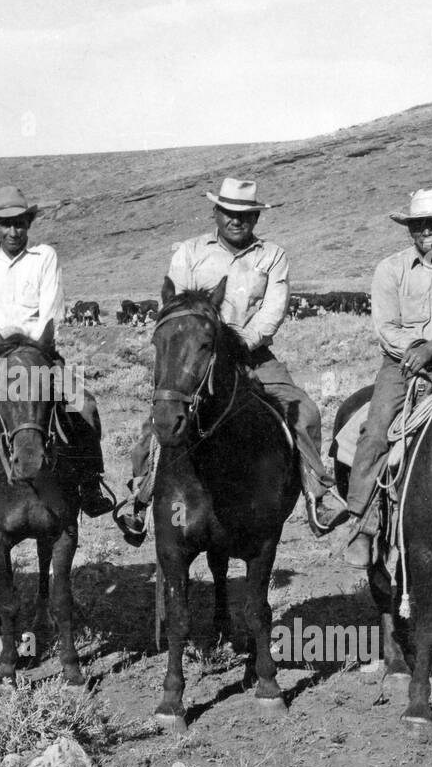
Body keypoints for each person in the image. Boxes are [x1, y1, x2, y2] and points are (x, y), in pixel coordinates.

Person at [113, 178, 348, 545]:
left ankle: (318, 494)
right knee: (159, 419)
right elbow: (174, 308)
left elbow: (273, 311)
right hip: (194, 358)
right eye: (229, 213)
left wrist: (235, 346)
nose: (237, 220)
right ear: (216, 213)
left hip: (252, 356)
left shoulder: (272, 256)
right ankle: (139, 500)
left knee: (304, 411)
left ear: (255, 217)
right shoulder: (189, 253)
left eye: (246, 215)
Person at [0, 185, 112, 524]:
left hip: (40, 353)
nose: (13, 231)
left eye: (20, 223)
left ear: (29, 224)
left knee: (84, 404)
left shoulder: (45, 257)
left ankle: (90, 483)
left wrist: (32, 344)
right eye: (6, 224)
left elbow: (51, 310)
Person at [341, 187, 432, 568]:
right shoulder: (390, 269)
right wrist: (420, 349)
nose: (426, 235)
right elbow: (385, 327)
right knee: (375, 431)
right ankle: (362, 522)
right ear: (410, 231)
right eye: (418, 228)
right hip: (401, 365)